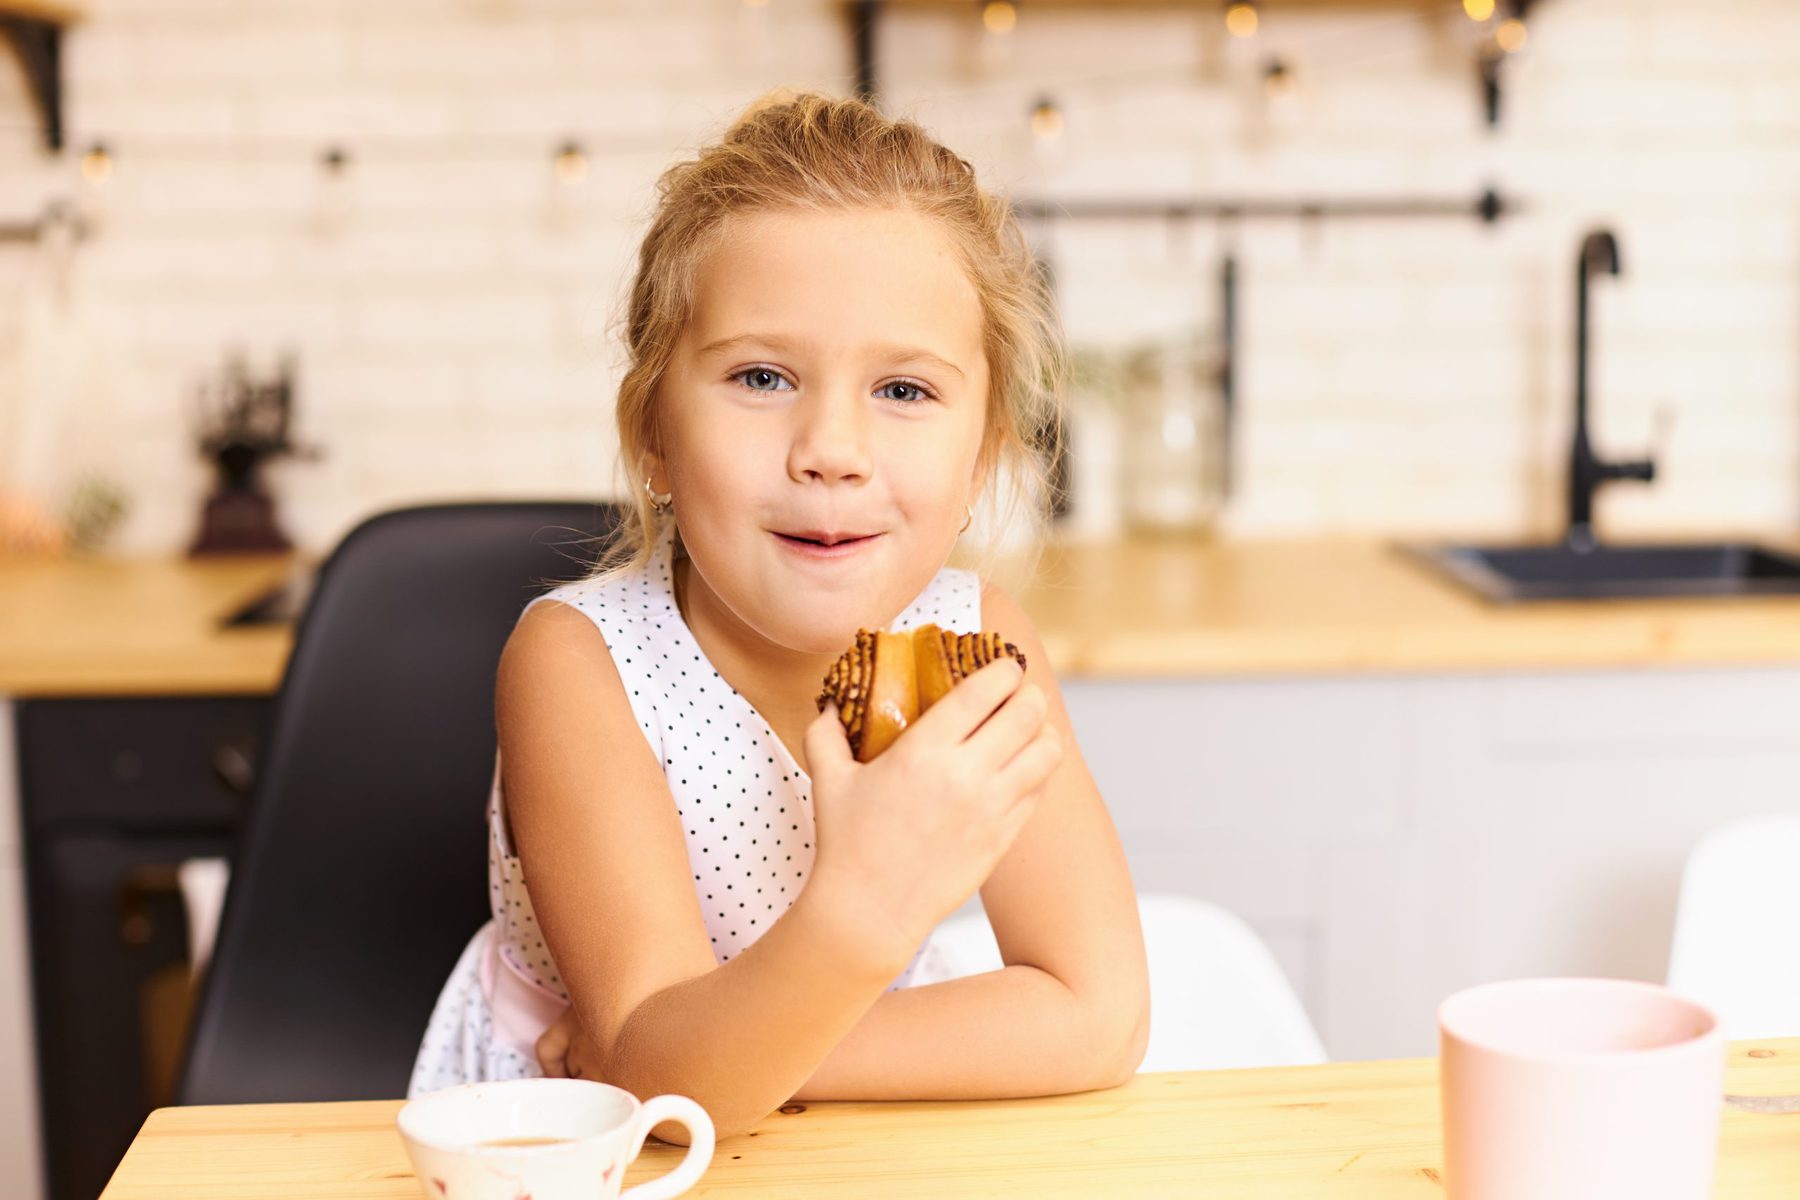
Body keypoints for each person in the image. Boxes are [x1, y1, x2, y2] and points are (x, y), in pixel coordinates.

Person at [409, 89, 1149, 1142]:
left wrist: (750, 1056)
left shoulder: (977, 650)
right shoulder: (576, 664)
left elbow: (1100, 1016)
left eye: (903, 391)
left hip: (855, 1136)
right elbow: (661, 1100)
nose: (831, 449)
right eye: (762, 376)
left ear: (981, 456)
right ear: (654, 436)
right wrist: (865, 908)